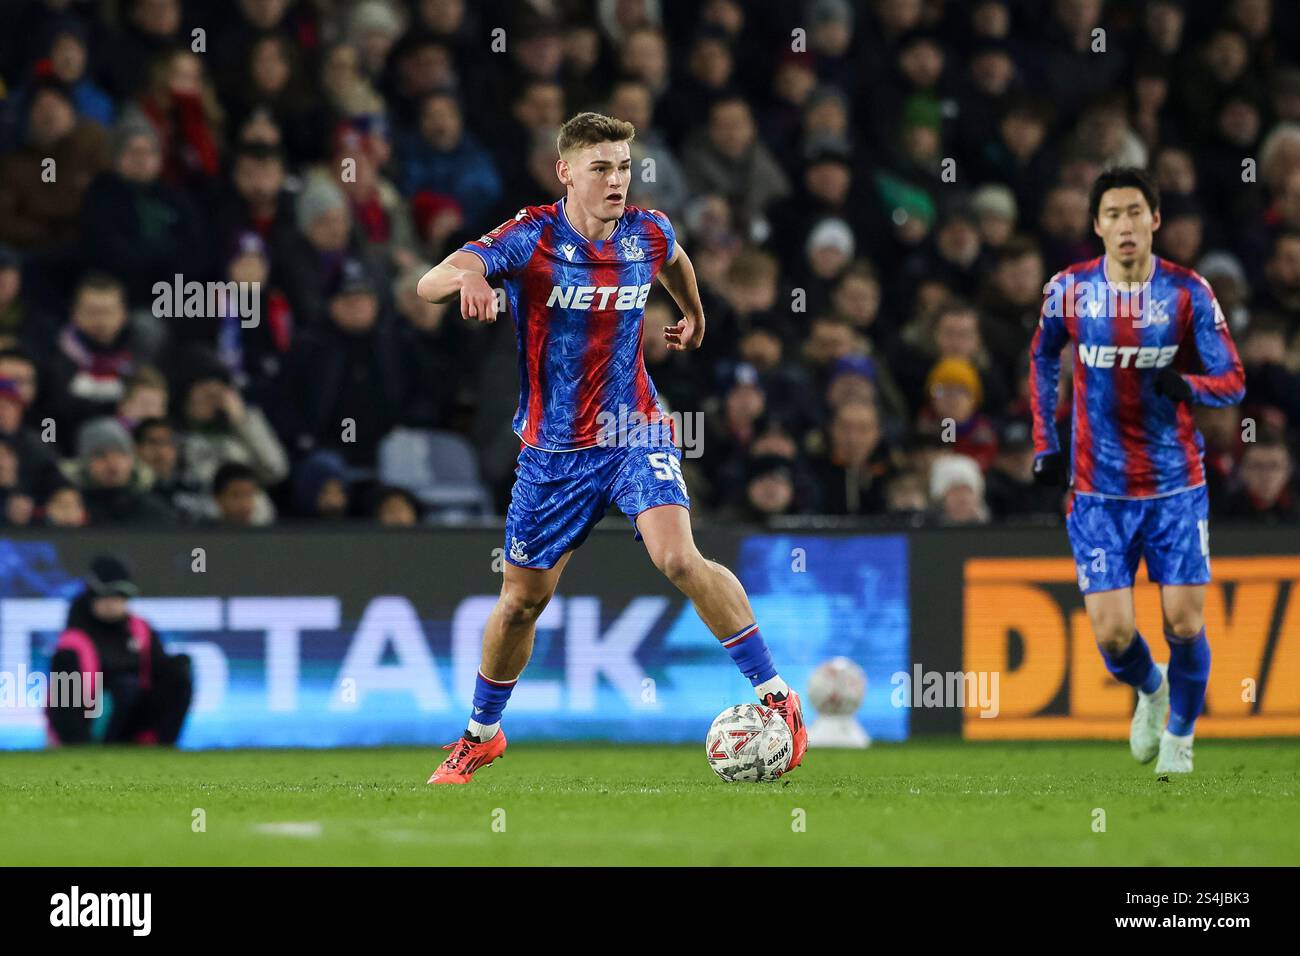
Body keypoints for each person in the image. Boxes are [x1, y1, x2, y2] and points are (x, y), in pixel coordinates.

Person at [416, 111, 806, 784]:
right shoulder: (531, 236)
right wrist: (472, 278)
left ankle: (778, 696)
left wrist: (694, 312)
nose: (616, 180)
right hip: (553, 453)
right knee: (521, 603)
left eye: (624, 166)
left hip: (635, 430)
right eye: (601, 167)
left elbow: (675, 260)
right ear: (565, 171)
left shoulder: (647, 232)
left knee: (679, 557)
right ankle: (481, 734)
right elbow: (430, 282)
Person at [1029, 167, 1245, 774]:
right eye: (1113, 214)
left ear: (1155, 220)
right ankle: (1153, 690)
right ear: (1096, 225)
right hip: (1098, 491)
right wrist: (1047, 443)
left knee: (1184, 619)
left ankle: (1179, 741)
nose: (1125, 225)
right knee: (1115, 637)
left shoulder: (1188, 292)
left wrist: (1190, 385)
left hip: (1176, 487)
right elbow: (1042, 356)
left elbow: (1233, 379)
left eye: (1135, 212)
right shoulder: (1069, 291)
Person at [46, 554, 192, 746]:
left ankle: (159, 746)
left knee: (178, 669)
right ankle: (80, 746)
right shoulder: (72, 643)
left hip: (132, 722)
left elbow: (162, 677)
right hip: (90, 724)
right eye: (107, 595)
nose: (113, 602)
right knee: (117, 685)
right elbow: (62, 707)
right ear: (92, 594)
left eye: (120, 596)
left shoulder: (140, 629)